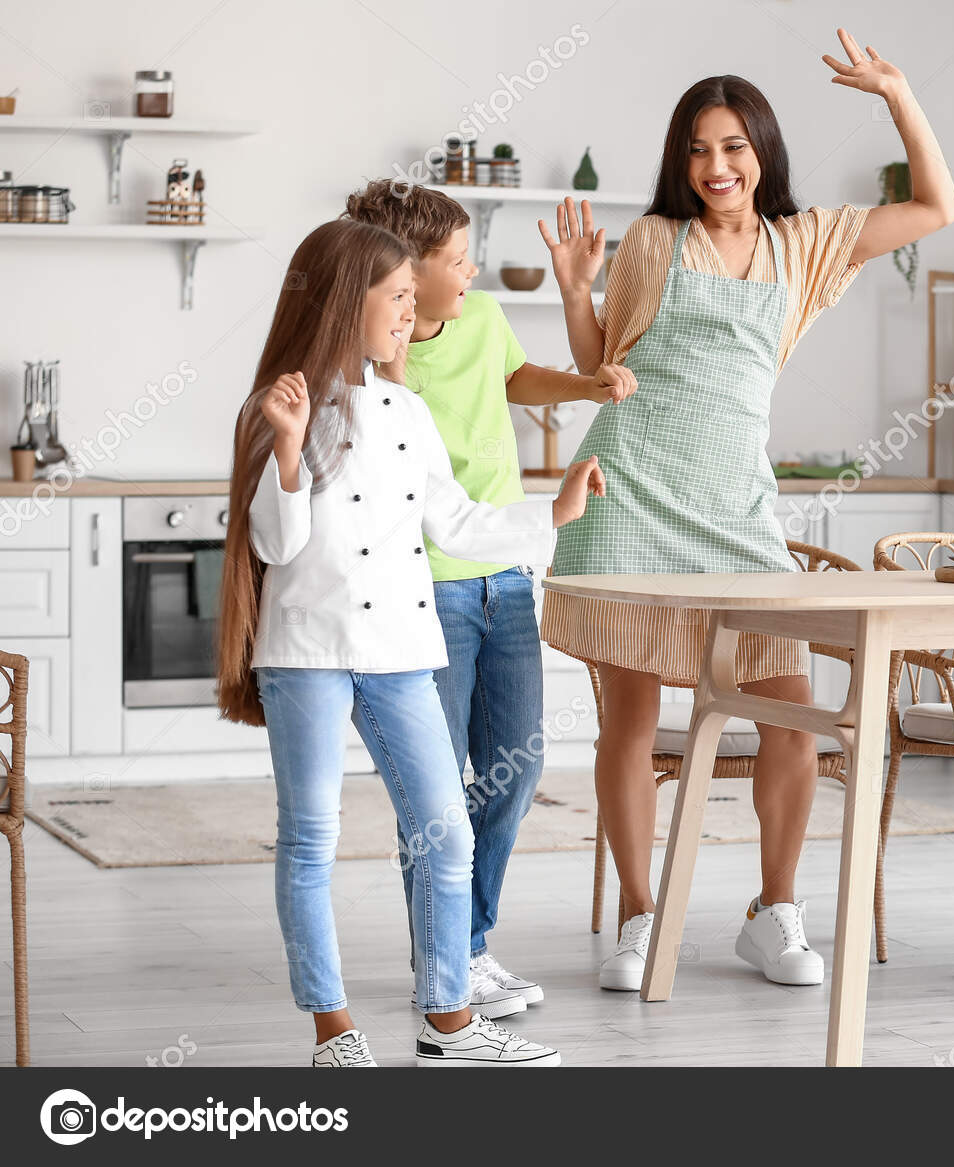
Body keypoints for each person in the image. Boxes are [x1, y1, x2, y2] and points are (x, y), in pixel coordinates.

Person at [539, 28, 954, 993]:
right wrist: (573, 292)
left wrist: (897, 91)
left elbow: (940, 204)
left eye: (732, 146)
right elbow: (606, 358)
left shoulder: (805, 243)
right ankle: (642, 919)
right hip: (633, 492)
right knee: (632, 726)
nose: (715, 166)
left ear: (761, 151)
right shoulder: (654, 240)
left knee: (791, 717)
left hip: (737, 510)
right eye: (697, 148)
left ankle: (774, 914)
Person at [215, 218, 604, 1066]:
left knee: (446, 831)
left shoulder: (405, 408)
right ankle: (333, 1029)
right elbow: (275, 548)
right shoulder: (280, 406)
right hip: (307, 652)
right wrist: (286, 452)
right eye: (396, 298)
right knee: (310, 837)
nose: (409, 313)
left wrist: (554, 513)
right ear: (345, 301)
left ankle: (449, 1017)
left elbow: (454, 520)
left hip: (399, 650)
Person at [343, 181, 636, 1018]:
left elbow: (516, 378)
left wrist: (586, 386)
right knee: (437, 787)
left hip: (504, 574)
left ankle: (465, 946)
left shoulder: (481, 323)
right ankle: (445, 962)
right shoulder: (370, 363)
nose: (472, 271)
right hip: (425, 584)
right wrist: (393, 373)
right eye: (457, 261)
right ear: (404, 271)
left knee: (516, 768)